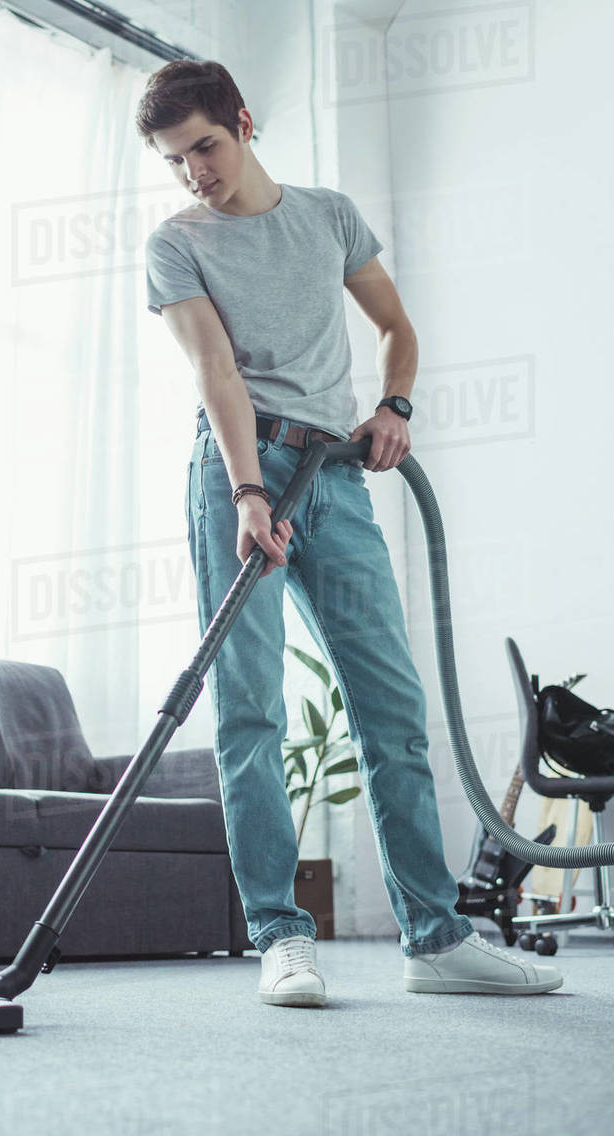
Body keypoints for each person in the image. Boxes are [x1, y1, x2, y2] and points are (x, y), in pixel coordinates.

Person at [136, 60, 563, 1006]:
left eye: (203, 146)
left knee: (390, 708)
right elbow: (216, 373)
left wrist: (394, 404)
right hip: (237, 477)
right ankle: (280, 938)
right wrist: (249, 493)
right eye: (175, 160)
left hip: (336, 479)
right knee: (250, 710)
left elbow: (396, 327)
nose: (194, 172)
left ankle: (434, 937)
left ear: (243, 122)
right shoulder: (176, 244)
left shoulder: (327, 216)